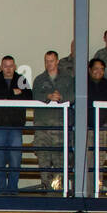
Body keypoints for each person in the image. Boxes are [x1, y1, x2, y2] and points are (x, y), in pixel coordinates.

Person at [0, 56, 30, 193]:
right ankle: (1, 190)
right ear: (1, 67)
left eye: (11, 65)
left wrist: (6, 95)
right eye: (5, 66)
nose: (8, 68)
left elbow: (29, 96)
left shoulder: (22, 80)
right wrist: (13, 92)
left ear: (15, 66)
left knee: (15, 160)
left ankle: (13, 189)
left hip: (16, 125)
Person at [32, 51, 72, 191]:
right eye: (46, 61)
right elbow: (35, 95)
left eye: (51, 60)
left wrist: (61, 97)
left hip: (60, 125)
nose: (49, 64)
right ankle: (45, 187)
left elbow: (73, 95)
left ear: (57, 61)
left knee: (60, 159)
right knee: (43, 158)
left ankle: (58, 189)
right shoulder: (39, 79)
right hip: (42, 124)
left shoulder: (67, 79)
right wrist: (48, 96)